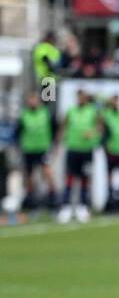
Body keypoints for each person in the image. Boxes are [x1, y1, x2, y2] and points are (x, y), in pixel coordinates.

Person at [57, 90, 103, 224]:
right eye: (79, 97)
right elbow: (63, 127)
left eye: (83, 97)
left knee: (84, 178)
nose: (80, 100)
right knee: (70, 177)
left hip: (86, 150)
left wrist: (92, 132)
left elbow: (100, 128)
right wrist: (58, 143)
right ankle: (66, 207)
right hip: (73, 148)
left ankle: (83, 206)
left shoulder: (93, 111)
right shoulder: (71, 111)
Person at [18, 92, 57, 214]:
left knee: (47, 172)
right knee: (29, 175)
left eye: (34, 99)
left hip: (43, 148)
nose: (32, 102)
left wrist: (54, 145)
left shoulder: (45, 113)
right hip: (28, 149)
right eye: (30, 100)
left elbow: (54, 128)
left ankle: (53, 197)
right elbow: (18, 131)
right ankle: (31, 199)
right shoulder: (24, 114)